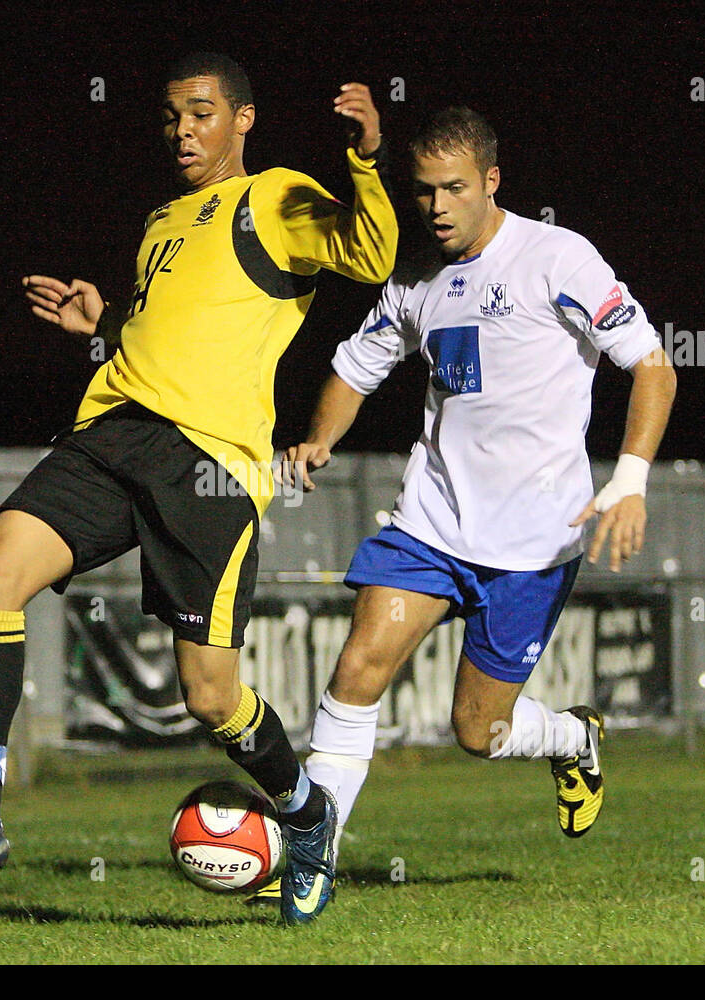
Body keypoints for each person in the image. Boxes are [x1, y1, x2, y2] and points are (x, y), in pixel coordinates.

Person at [0, 52, 398, 925]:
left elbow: (370, 255)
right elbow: (164, 332)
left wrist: (366, 158)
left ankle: (304, 815)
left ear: (243, 121)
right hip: (110, 432)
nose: (183, 130)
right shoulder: (159, 222)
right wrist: (101, 322)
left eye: (202, 113)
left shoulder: (274, 199)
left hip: (208, 462)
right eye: (173, 117)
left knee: (209, 697)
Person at [276, 104, 677, 875]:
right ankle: (310, 861)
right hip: (430, 523)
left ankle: (571, 738)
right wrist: (321, 437)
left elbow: (652, 366)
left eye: (453, 189)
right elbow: (355, 370)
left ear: (491, 182)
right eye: (423, 191)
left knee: (477, 731)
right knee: (360, 665)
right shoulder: (414, 276)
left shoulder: (558, 258)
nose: (435, 208)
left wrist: (629, 483)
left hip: (533, 539)